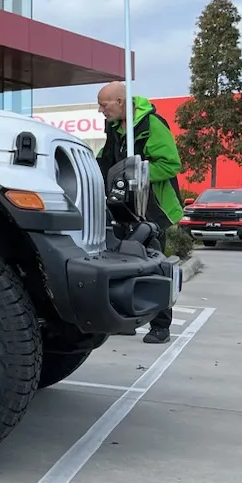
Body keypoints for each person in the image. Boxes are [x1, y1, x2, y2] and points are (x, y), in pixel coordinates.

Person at [94, 81, 185, 343]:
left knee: (156, 266)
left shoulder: (152, 124)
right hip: (123, 208)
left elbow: (170, 164)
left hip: (152, 209)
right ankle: (127, 320)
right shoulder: (113, 128)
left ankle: (160, 326)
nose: (100, 110)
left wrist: (136, 174)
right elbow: (107, 160)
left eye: (104, 104)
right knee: (123, 264)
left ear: (121, 102)